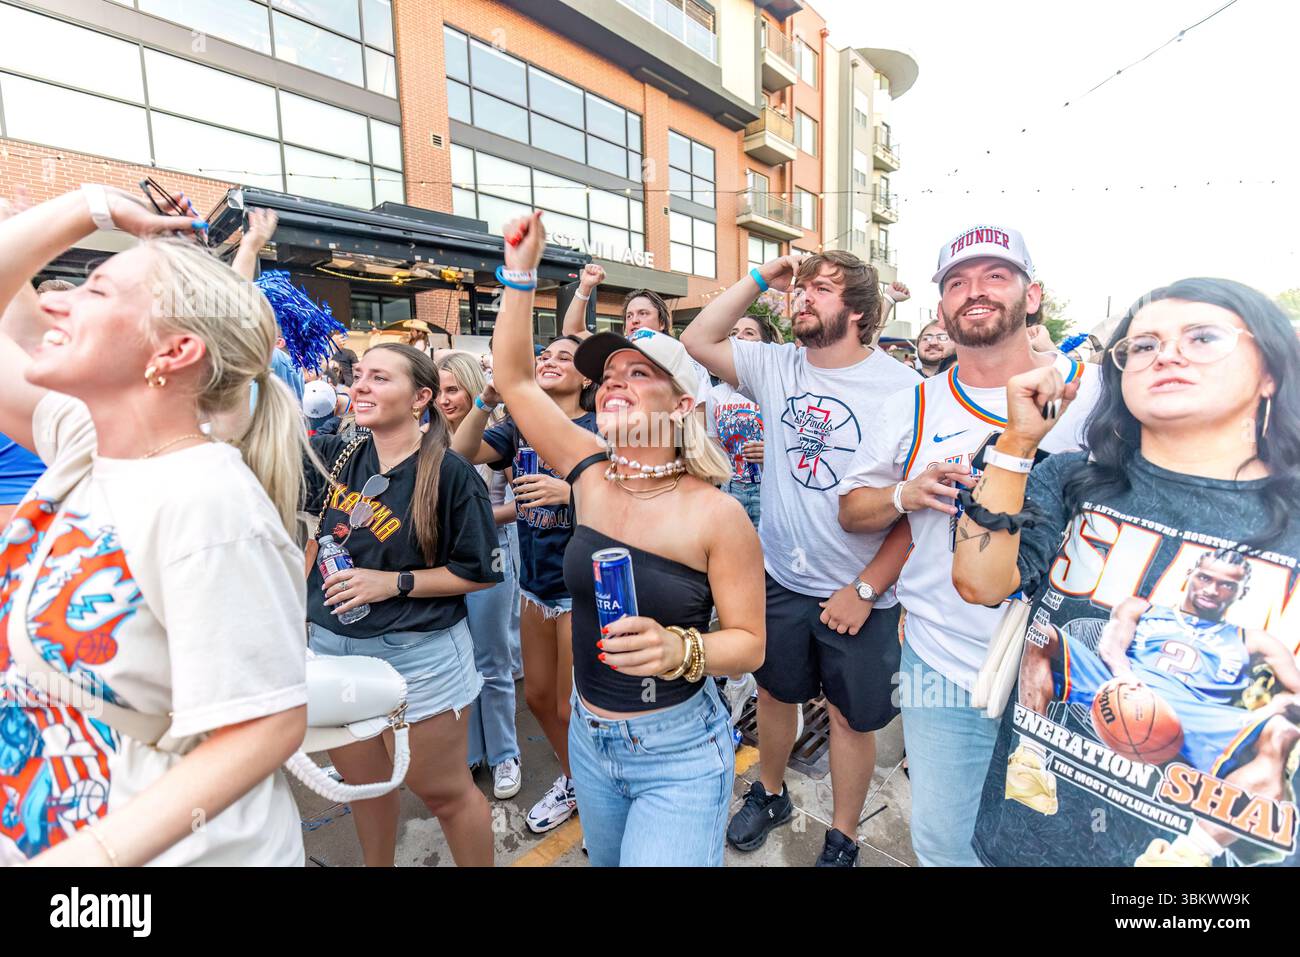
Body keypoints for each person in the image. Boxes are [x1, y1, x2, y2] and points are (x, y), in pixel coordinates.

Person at [0, 185, 309, 865]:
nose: (54, 301)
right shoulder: (82, 444)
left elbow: (267, 723)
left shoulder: (209, 501)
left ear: (172, 353)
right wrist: (93, 207)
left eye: (97, 292)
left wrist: (92, 861)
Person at [951, 277, 1300, 869]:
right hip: (1029, 838)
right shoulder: (1072, 481)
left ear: (1270, 371)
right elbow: (980, 582)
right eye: (1141, 346)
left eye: (1203, 337)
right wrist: (1016, 441)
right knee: (1049, 649)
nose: (1167, 354)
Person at [493, 211, 764, 866]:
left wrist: (682, 646)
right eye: (608, 374)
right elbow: (515, 379)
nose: (613, 379)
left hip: (679, 752)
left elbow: (751, 643)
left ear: (682, 407)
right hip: (590, 740)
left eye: (638, 373)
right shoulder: (589, 472)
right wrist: (522, 273)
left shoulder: (716, 515)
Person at [836, 224, 1103, 866]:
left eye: (995, 276)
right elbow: (851, 509)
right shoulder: (914, 403)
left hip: (1072, 676)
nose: (973, 292)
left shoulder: (1095, 397)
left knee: (1062, 850)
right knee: (946, 845)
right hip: (945, 666)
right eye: (957, 282)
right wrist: (909, 492)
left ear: (1032, 296)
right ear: (941, 308)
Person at [683, 249, 920, 866]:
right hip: (780, 578)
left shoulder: (906, 389)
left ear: (862, 313)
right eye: (802, 288)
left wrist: (866, 588)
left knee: (849, 720)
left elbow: (921, 512)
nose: (803, 298)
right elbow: (697, 337)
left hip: (861, 593)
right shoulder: (777, 364)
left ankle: (843, 834)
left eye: (823, 290)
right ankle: (769, 793)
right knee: (774, 694)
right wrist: (765, 276)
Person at [305, 342, 502, 866]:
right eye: (360, 375)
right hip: (332, 647)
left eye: (379, 378)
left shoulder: (450, 473)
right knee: (363, 786)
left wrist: (391, 583)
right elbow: (313, 534)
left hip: (418, 654)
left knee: (444, 794)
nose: (361, 385)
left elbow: (478, 574)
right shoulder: (335, 454)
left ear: (421, 398)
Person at [449, 333, 597, 833]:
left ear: (586, 378)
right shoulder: (517, 425)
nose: (550, 360)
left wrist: (570, 491)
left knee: (566, 704)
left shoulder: (601, 428)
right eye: (544, 354)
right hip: (534, 581)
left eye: (564, 357)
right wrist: (486, 399)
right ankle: (576, 778)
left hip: (580, 585)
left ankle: (593, 789)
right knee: (536, 698)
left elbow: (628, 503)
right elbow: (460, 453)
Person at [436, 351, 523, 799]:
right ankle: (469, 752)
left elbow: (526, 500)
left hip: (492, 555)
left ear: (472, 389)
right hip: (442, 563)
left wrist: (484, 519)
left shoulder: (492, 437)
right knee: (457, 660)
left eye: (454, 389)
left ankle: (505, 753)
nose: (446, 398)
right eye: (441, 389)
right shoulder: (426, 436)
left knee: (492, 660)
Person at [703, 313, 780, 529]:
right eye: (734, 333)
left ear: (765, 344)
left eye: (749, 332)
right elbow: (714, 444)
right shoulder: (715, 394)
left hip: (768, 490)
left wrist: (773, 452)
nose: (740, 338)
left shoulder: (773, 388)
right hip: (731, 489)